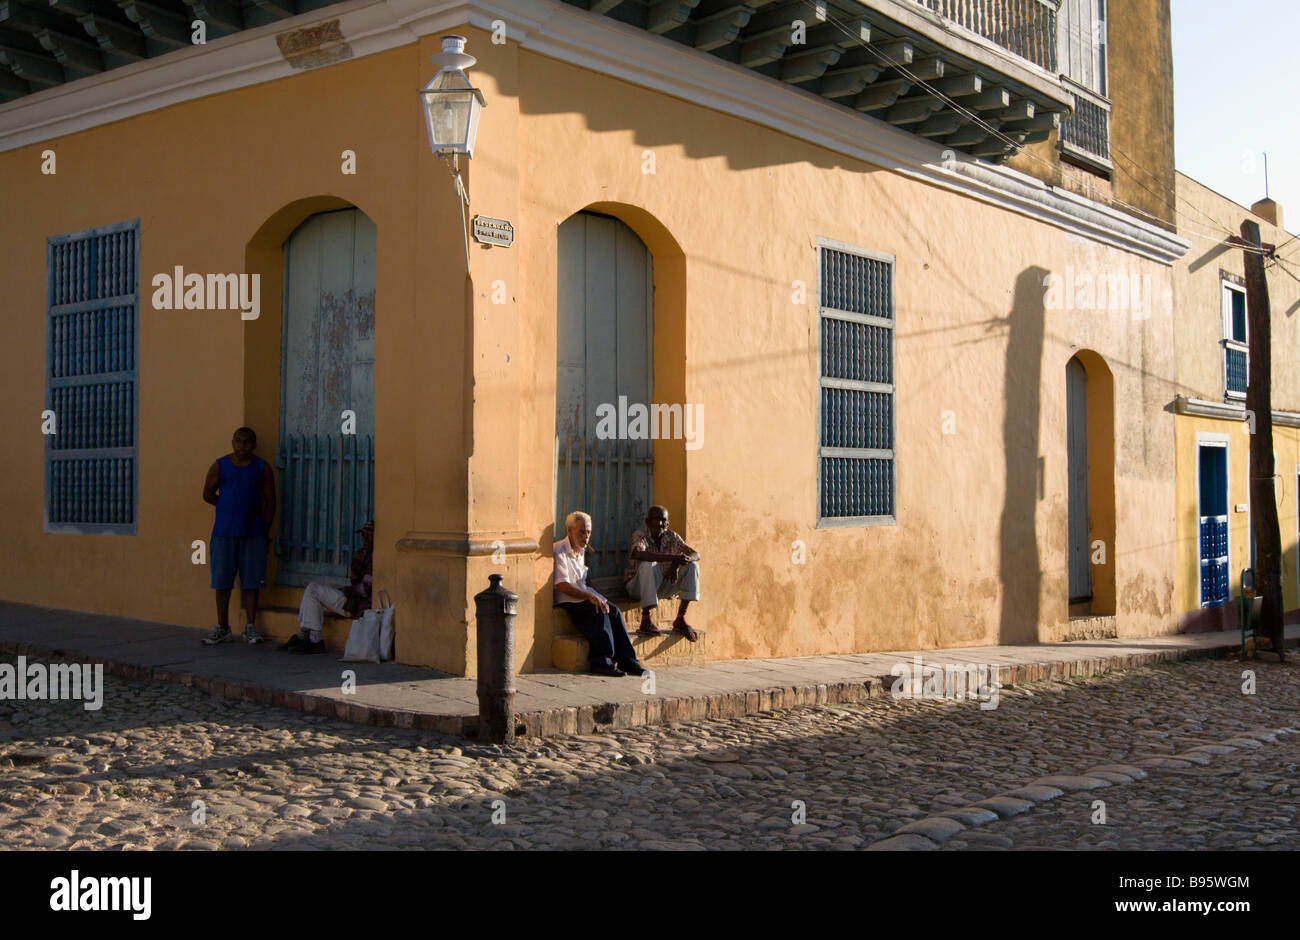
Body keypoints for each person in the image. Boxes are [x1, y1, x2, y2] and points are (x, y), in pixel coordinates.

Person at [201, 427, 275, 645]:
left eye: (247, 442)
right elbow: (207, 493)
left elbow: (271, 502)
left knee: (252, 583)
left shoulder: (262, 468)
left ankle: (250, 627)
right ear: (232, 442)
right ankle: (222, 627)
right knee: (222, 583)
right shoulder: (220, 465)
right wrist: (226, 506)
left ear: (254, 444)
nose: (242, 446)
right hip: (224, 533)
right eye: (238, 441)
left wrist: (265, 529)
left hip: (253, 534)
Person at [554, 511, 645, 677]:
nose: (586, 536)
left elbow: (584, 579)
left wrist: (597, 594)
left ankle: (628, 661)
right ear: (570, 530)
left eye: (588, 532)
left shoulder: (580, 550)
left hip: (582, 595)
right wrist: (590, 597)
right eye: (582, 532)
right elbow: (563, 585)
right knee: (599, 610)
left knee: (614, 611)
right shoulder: (559, 550)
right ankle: (601, 661)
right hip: (568, 599)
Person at [279, 521, 375, 654]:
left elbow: (364, 590)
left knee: (313, 590)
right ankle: (304, 635)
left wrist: (344, 590)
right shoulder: (364, 556)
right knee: (311, 589)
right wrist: (356, 564)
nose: (364, 540)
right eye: (363, 536)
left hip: (357, 605)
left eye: (368, 537)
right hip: (352, 600)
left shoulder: (375, 559)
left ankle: (313, 639)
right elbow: (355, 581)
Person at [624, 505, 701, 641]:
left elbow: (696, 554)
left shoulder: (672, 536)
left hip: (660, 587)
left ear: (667, 523)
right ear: (647, 521)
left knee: (693, 566)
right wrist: (673, 559)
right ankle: (645, 619)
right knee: (649, 564)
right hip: (637, 588)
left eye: (663, 520)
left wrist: (677, 563)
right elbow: (639, 554)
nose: (660, 523)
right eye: (655, 519)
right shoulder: (640, 535)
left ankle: (680, 619)